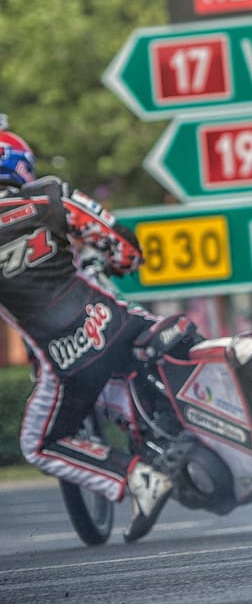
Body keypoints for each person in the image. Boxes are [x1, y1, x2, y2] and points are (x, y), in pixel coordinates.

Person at [0, 117, 175, 541]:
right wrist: (121, 263)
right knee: (178, 351)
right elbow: (122, 245)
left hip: (64, 357)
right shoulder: (52, 195)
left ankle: (137, 475)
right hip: (114, 320)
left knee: (38, 444)